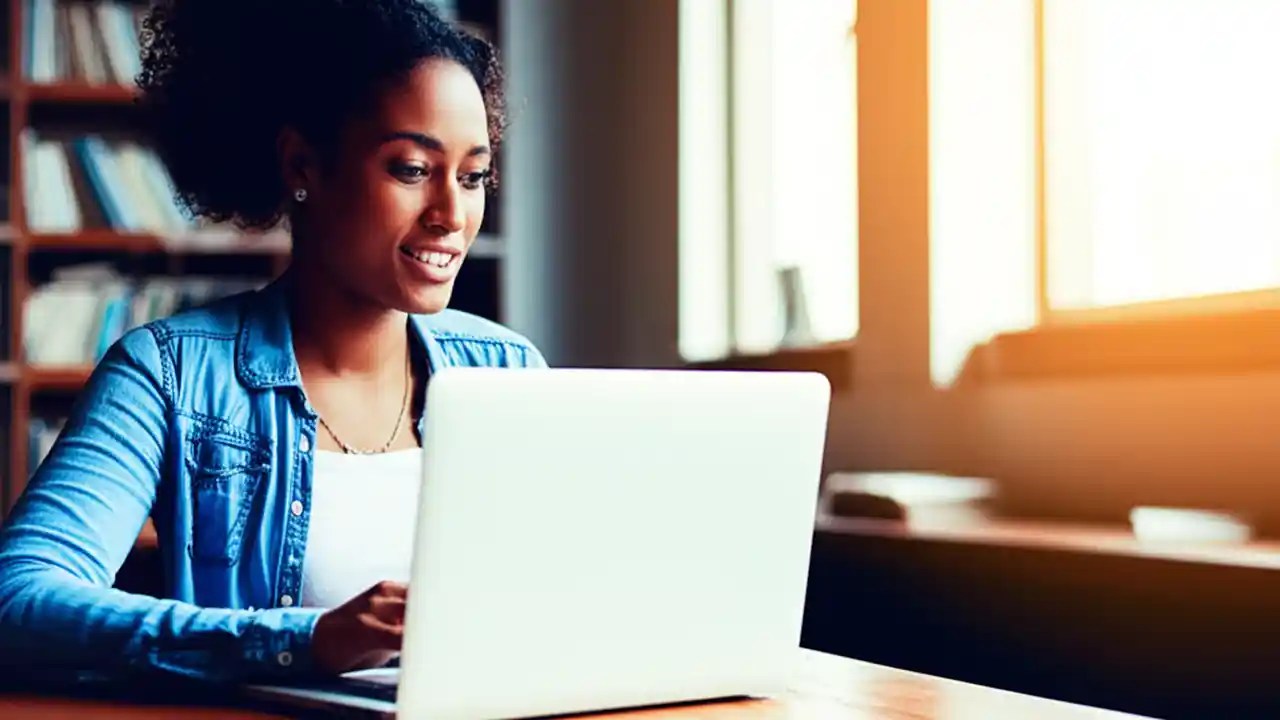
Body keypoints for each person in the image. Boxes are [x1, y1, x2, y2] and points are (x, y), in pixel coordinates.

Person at [0, 0, 544, 684]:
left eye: (473, 176)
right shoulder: (171, 373)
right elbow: (19, 600)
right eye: (411, 169)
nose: (451, 215)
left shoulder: (506, 371)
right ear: (302, 165)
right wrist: (306, 640)